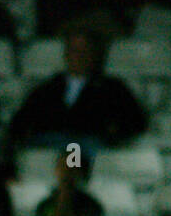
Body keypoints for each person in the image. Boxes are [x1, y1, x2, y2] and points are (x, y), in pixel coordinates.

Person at [8, 25, 147, 150]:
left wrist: (112, 131)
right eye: (74, 51)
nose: (79, 57)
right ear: (66, 54)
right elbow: (20, 122)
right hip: (50, 148)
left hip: (91, 150)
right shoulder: (47, 88)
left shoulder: (113, 89)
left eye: (84, 51)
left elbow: (136, 121)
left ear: (94, 55)